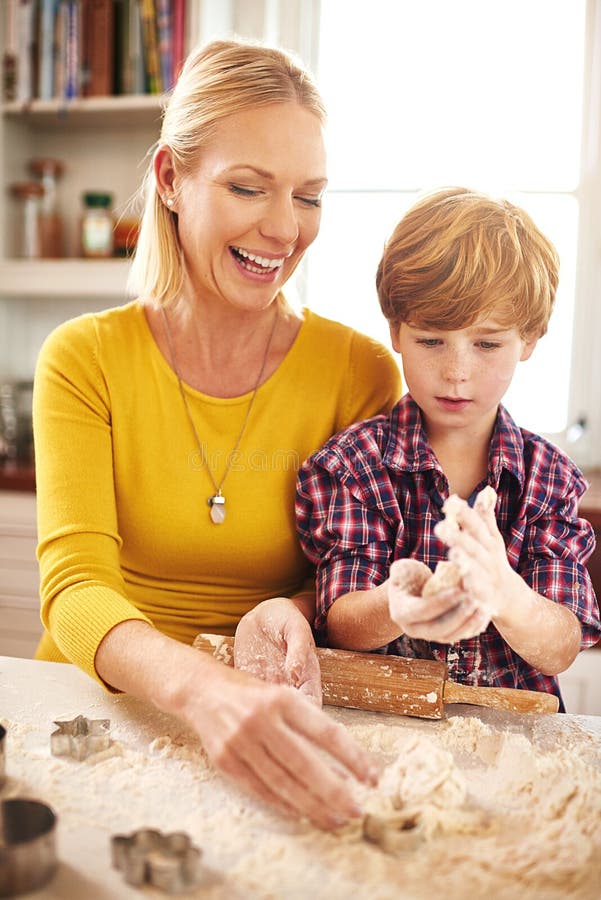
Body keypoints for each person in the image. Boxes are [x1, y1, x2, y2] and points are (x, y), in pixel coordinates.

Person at [32, 40, 402, 827]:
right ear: (170, 179)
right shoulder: (84, 359)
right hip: (88, 717)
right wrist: (203, 689)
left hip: (268, 716)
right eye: (247, 188)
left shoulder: (360, 374)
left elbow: (353, 579)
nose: (283, 228)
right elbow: (73, 589)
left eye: (309, 196)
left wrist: (293, 608)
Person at [296, 187, 600, 710]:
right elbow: (338, 620)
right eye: (432, 340)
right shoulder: (352, 466)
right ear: (395, 330)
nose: (457, 372)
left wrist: (507, 594)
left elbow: (562, 646)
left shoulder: (547, 477)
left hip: (515, 743)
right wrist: (402, 604)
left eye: (487, 344)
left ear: (529, 339)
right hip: (389, 736)